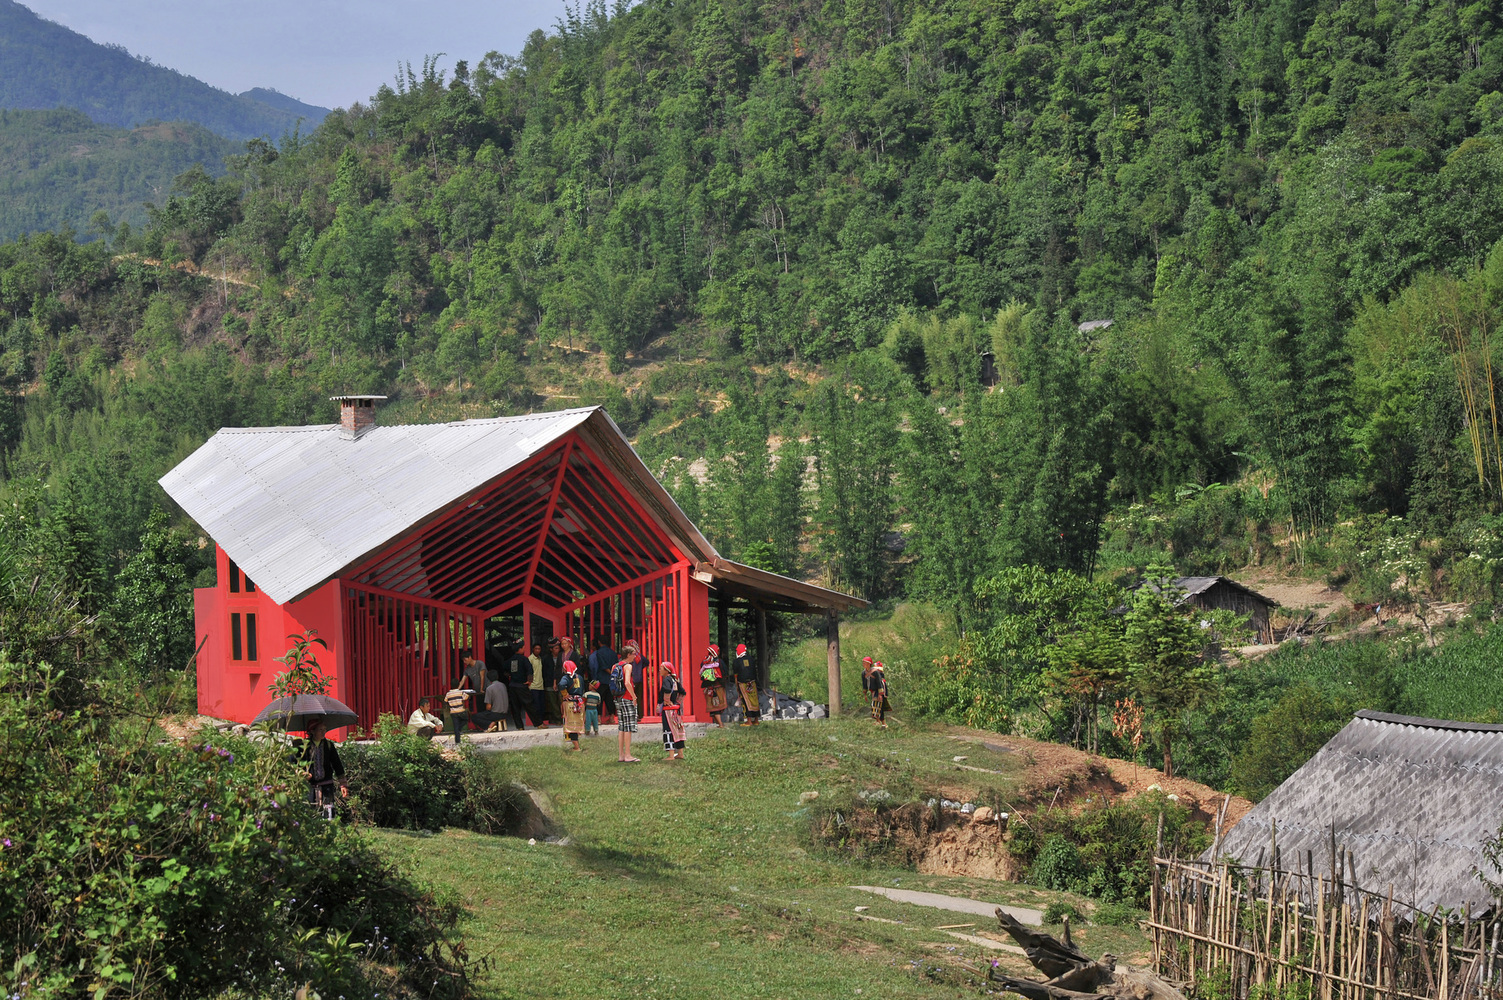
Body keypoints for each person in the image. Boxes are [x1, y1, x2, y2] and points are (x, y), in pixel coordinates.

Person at [300, 718, 348, 811]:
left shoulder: (328, 745)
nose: (323, 732)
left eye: (325, 729)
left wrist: (343, 785)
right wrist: (301, 773)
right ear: (312, 731)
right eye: (320, 730)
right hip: (309, 787)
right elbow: (295, 763)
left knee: (328, 813)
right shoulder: (304, 745)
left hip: (327, 786)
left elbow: (337, 765)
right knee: (310, 812)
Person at [612, 640, 642, 763]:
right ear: (628, 654)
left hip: (618, 698)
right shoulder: (628, 666)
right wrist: (634, 697)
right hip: (627, 698)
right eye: (634, 653)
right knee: (628, 727)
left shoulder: (615, 666)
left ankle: (621, 755)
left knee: (621, 727)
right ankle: (628, 755)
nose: (635, 656)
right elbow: (627, 682)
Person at [659, 660, 686, 760]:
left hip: (668, 710)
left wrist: (667, 700)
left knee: (669, 730)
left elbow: (666, 689)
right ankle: (680, 753)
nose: (659, 670)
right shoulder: (675, 680)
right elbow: (683, 692)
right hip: (676, 710)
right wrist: (677, 703)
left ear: (667, 670)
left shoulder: (667, 680)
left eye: (661, 668)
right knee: (677, 729)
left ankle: (671, 755)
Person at [557, 655, 586, 751]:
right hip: (579, 703)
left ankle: (576, 747)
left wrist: (565, 694)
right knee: (576, 724)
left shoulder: (566, 677)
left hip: (571, 704)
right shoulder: (580, 677)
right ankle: (576, 744)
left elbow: (561, 685)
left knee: (571, 725)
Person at [589, 635, 617, 723]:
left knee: (598, 699)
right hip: (611, 680)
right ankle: (612, 717)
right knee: (609, 699)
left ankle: (598, 718)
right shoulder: (613, 653)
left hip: (600, 679)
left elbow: (595, 667)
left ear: (599, 642)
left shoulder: (598, 653)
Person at [506, 638, 532, 731]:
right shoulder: (524, 659)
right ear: (520, 648)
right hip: (522, 686)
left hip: (512, 686)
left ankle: (519, 726)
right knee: (530, 705)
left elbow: (505, 671)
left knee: (515, 707)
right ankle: (539, 723)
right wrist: (529, 681)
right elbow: (529, 670)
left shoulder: (510, 660)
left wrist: (511, 675)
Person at [699, 643, 727, 727]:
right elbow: (724, 671)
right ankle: (721, 724)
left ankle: (719, 723)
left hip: (708, 687)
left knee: (713, 706)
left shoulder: (704, 662)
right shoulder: (719, 662)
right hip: (718, 686)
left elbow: (701, 674)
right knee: (717, 706)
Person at [732, 642, 760, 726]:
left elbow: (736, 674)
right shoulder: (751, 659)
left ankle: (749, 721)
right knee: (754, 701)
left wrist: (736, 684)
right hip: (752, 683)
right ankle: (756, 720)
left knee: (746, 701)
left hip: (743, 684)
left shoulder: (736, 661)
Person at [444, 675, 473, 744]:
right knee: (465, 720)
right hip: (461, 711)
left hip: (453, 712)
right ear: (458, 685)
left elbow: (445, 701)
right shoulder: (461, 692)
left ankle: (457, 741)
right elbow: (467, 698)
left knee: (455, 726)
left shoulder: (448, 694)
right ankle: (459, 729)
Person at [544, 638, 564, 725]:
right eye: (556, 648)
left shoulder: (562, 657)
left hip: (561, 682)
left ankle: (561, 718)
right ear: (551, 649)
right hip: (549, 683)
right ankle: (557, 719)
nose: (558, 650)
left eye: (558, 648)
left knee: (561, 702)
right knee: (553, 703)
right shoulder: (546, 659)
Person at [528, 642, 547, 728]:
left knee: (541, 705)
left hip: (541, 685)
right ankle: (538, 723)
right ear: (533, 649)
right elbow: (528, 672)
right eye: (536, 649)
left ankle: (541, 722)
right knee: (536, 706)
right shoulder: (530, 659)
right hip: (533, 686)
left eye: (539, 649)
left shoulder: (540, 659)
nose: (538, 650)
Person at [869, 660, 890, 728]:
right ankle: (878, 721)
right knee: (876, 708)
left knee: (880, 709)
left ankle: (884, 724)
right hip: (876, 694)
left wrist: (880, 695)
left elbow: (881, 687)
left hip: (880, 695)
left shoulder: (880, 678)